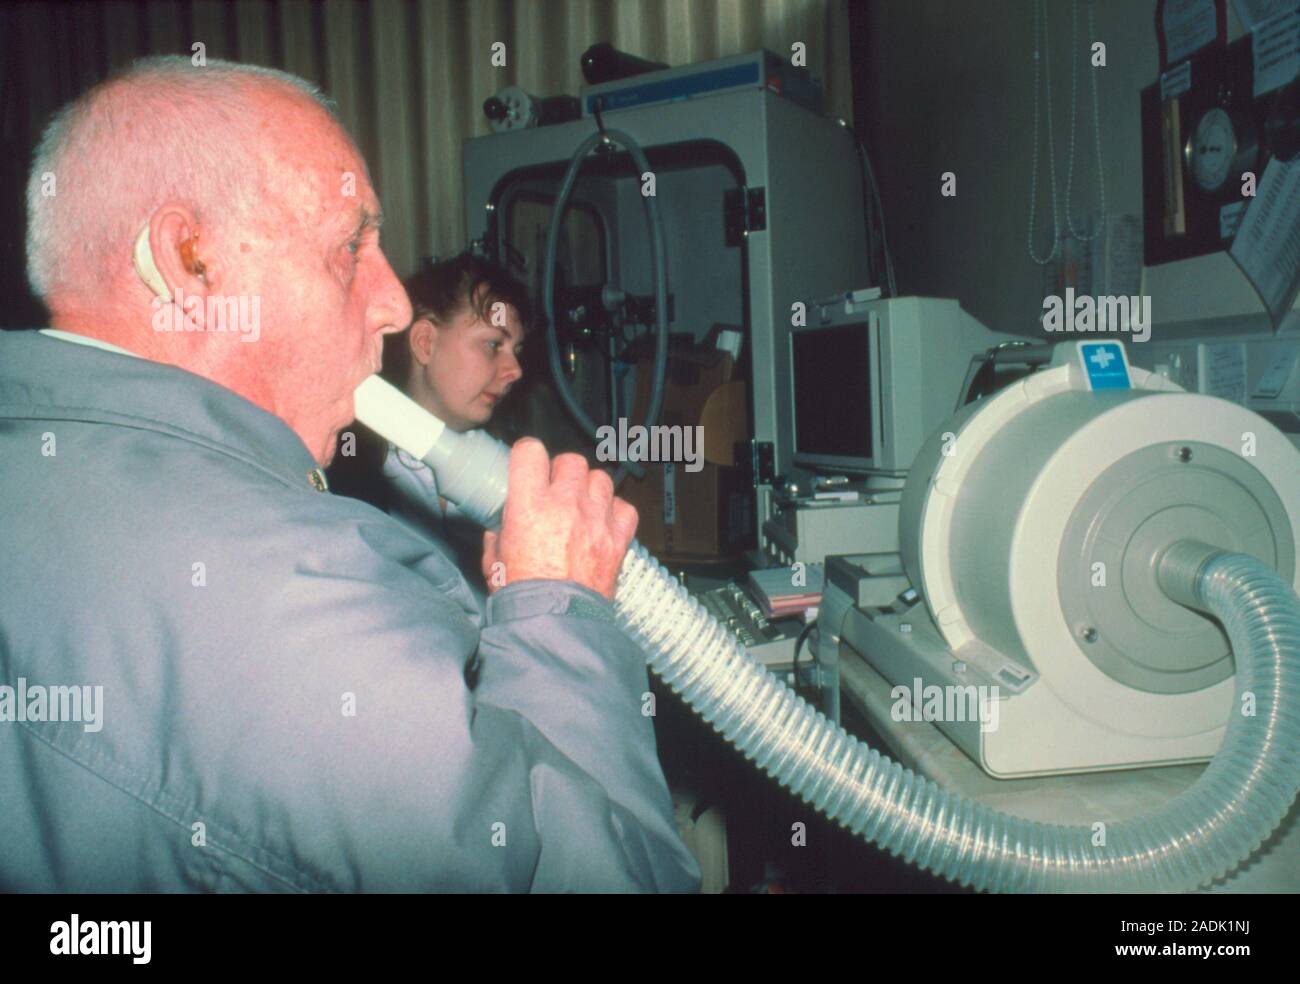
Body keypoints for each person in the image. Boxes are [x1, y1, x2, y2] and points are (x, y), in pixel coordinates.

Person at [0, 56, 699, 892]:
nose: (396, 304)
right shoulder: (300, 596)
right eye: (350, 246)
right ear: (187, 263)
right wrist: (560, 609)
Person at [330, 255, 530, 602]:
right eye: (493, 345)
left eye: (517, 350)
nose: (515, 370)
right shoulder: (350, 476)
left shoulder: (512, 475)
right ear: (425, 342)